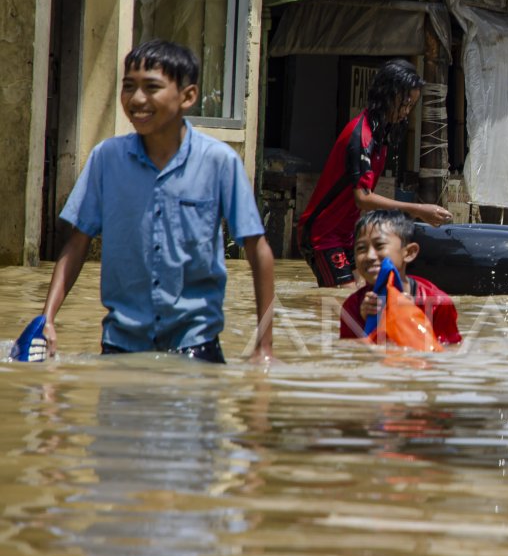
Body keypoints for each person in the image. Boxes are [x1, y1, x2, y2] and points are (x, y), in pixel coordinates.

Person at [39, 40, 273, 363]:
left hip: (196, 346)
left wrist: (264, 346)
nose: (137, 99)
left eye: (151, 88)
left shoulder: (219, 162)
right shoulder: (106, 159)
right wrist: (46, 320)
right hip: (121, 346)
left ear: (188, 96)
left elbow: (257, 250)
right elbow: (77, 243)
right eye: (128, 87)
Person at [298, 59, 453, 288]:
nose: (406, 112)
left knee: (366, 295)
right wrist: (418, 210)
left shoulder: (381, 134)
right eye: (405, 104)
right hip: (324, 235)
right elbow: (363, 197)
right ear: (388, 96)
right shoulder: (361, 136)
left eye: (411, 106)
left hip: (347, 234)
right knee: (340, 301)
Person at [339, 210, 461, 345]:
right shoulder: (353, 306)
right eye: (361, 248)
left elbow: (448, 352)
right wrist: (362, 320)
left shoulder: (437, 303)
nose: (369, 256)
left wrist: (411, 318)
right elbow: (349, 353)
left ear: (409, 252)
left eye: (379, 245)